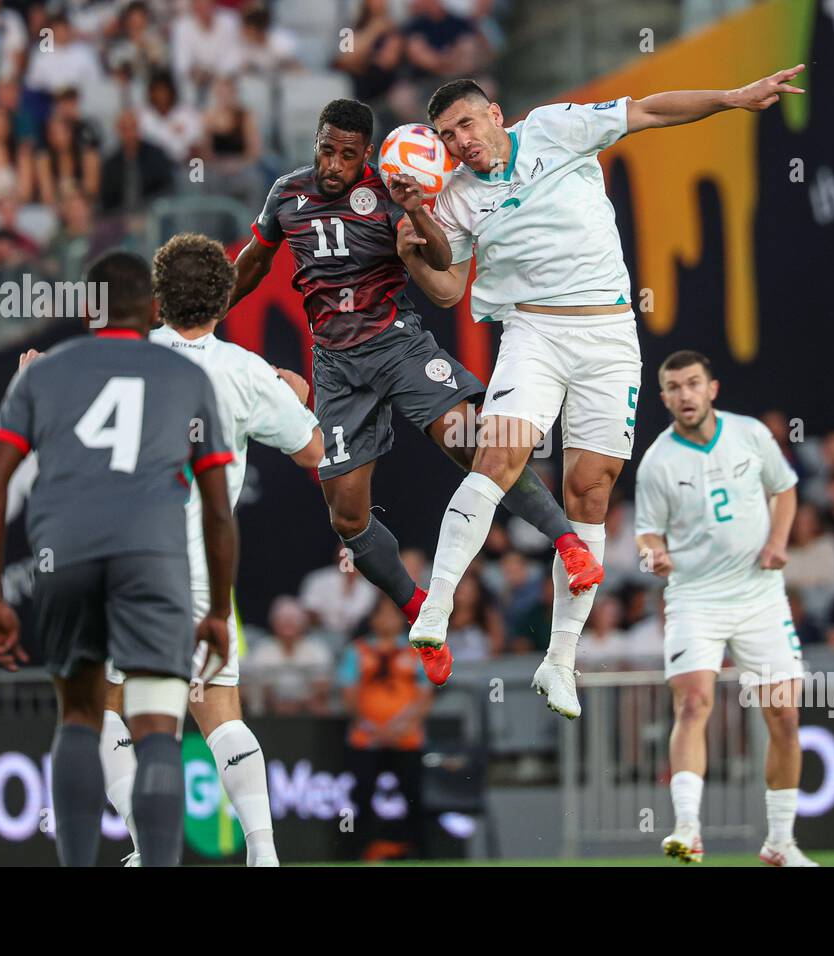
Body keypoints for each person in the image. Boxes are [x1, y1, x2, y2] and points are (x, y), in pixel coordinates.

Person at [399, 68, 806, 718]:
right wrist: (416, 253)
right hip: (531, 332)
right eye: (447, 136)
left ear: (496, 115)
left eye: (467, 125)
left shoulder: (558, 129)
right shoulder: (450, 197)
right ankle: (438, 605)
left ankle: (560, 661)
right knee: (499, 459)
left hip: (609, 337)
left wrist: (729, 97)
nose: (461, 142)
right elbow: (449, 290)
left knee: (589, 490)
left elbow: (650, 110)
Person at [229, 97, 592, 686]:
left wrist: (417, 214)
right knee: (347, 516)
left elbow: (445, 260)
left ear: (365, 155)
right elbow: (252, 262)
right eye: (327, 150)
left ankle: (571, 545)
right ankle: (416, 607)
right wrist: (209, 310)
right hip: (336, 366)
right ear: (316, 142)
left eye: (348, 155)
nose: (335, 165)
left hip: (399, 345)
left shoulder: (394, 185)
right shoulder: (286, 195)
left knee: (474, 443)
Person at [0, 250, 238, 867]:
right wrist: (219, 608)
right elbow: (219, 510)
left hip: (63, 552)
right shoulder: (185, 377)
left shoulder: (42, 374)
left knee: (82, 715)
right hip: (155, 556)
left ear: (90, 308)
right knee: (155, 726)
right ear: (152, 309)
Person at [91, 234, 323, 869]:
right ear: (224, 300)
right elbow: (314, 453)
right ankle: (264, 853)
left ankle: (147, 847)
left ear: (157, 298)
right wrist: (295, 394)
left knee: (105, 708)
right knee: (217, 710)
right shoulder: (246, 372)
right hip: (198, 570)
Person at [634, 350, 815, 867]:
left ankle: (780, 843)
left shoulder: (750, 433)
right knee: (693, 704)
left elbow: (784, 489)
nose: (685, 394)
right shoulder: (657, 462)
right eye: (674, 387)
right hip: (695, 598)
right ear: (664, 397)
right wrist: (653, 555)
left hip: (759, 594)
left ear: (712, 388)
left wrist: (780, 541)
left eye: (693, 383)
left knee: (783, 715)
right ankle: (687, 829)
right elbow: (647, 532)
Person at [337, 593, 434, 861]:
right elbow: (349, 694)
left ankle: (421, 854)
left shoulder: (416, 649)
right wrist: (371, 727)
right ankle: (358, 853)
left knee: (414, 798)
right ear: (373, 619)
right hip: (366, 739)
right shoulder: (356, 651)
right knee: (361, 798)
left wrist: (399, 726)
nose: (387, 620)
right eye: (382, 614)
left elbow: (424, 696)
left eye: (392, 614)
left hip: (407, 738)